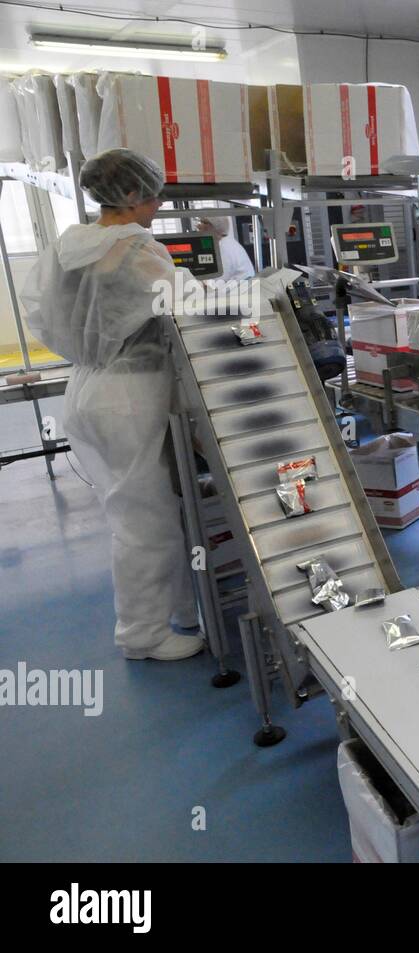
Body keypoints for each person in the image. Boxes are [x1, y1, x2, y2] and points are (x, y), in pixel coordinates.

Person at [21, 149, 203, 661]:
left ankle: (185, 609)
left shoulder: (69, 244)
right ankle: (142, 634)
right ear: (131, 196)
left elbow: (40, 309)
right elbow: (188, 304)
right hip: (131, 394)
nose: (156, 203)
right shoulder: (136, 249)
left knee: (135, 509)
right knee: (147, 520)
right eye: (151, 195)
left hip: (85, 385)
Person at [196, 215, 256, 281]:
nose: (198, 226)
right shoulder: (228, 241)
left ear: (213, 226)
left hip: (238, 289)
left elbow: (218, 281)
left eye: (203, 222)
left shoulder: (222, 248)